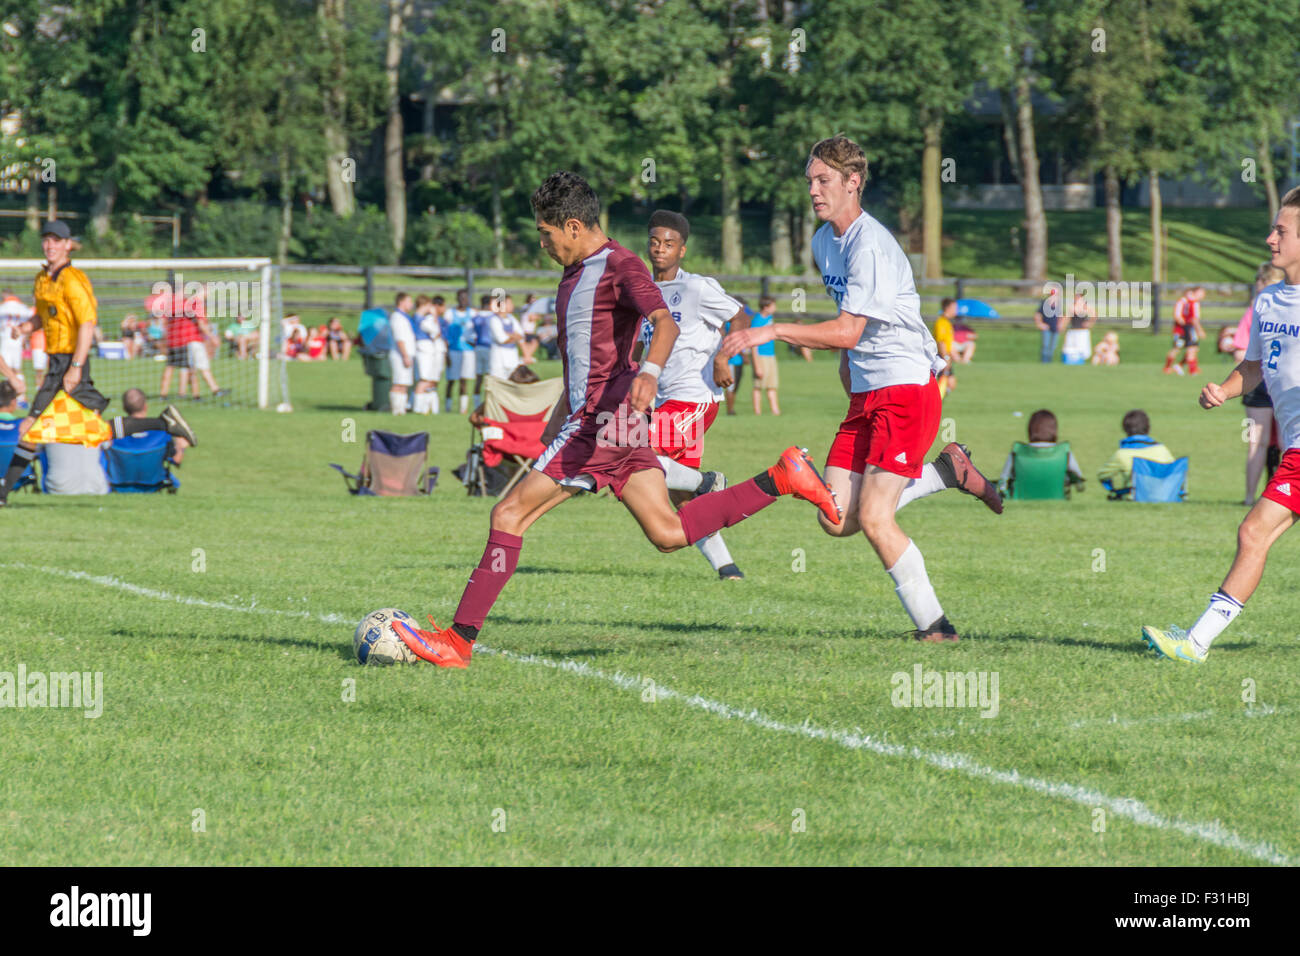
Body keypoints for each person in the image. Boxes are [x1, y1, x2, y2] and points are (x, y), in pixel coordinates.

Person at [392, 171, 841, 669]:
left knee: (507, 515)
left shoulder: (621, 266)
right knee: (668, 533)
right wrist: (559, 413)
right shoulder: (573, 273)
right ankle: (782, 478)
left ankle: (457, 642)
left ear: (573, 225)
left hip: (602, 424)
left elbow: (664, 323)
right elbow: (583, 359)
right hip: (610, 421)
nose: (542, 244)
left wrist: (649, 373)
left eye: (546, 233)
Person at [722, 136, 1003, 643]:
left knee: (874, 518)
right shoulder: (822, 242)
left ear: (853, 183)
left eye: (822, 180)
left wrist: (776, 329)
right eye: (809, 180)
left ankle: (936, 627)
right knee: (835, 519)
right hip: (865, 394)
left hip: (906, 390)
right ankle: (946, 472)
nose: (812, 190)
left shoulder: (870, 244)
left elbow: (849, 329)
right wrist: (849, 365)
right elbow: (853, 332)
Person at [1142, 188, 1300, 663]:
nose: (1269, 238)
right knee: (1255, 534)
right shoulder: (1269, 302)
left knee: (1254, 532)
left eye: (1281, 231)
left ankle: (1195, 643)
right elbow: (1253, 367)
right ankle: (1195, 642)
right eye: (1273, 228)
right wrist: (1224, 390)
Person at [0, 221, 198, 506]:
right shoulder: (42, 279)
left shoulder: (74, 279)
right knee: (92, 431)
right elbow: (44, 316)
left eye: (57, 240)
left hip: (70, 362)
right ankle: (163, 422)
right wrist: (25, 329)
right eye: (47, 239)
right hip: (58, 363)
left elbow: (87, 325)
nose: (50, 245)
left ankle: (2, 495)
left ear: (68, 245)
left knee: (29, 429)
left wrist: (76, 366)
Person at [633, 209, 748, 580]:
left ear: (682, 250)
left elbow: (740, 315)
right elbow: (641, 350)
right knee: (681, 497)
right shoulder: (643, 295)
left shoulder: (696, 287)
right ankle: (728, 570)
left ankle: (709, 481)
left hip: (695, 397)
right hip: (666, 401)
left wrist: (724, 357)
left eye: (669, 243)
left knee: (637, 457)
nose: (660, 249)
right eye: (655, 241)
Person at [997, 409, 1086, 498]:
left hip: (1021, 497)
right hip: (1057, 497)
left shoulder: (1018, 451)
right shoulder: (1063, 452)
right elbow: (1078, 480)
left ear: (1030, 429)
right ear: (1054, 430)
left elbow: (1003, 481)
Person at [1097, 410, 1176, 499]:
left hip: (1134, 497)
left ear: (1125, 429)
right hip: (1164, 497)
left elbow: (1102, 475)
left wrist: (1113, 490)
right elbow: (1174, 473)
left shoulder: (1122, 454)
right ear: (1148, 428)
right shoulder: (1162, 449)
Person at [441, 289, 476, 414]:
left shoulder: (472, 314)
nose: (463, 300)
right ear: (457, 298)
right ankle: (448, 407)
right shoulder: (449, 314)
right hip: (454, 350)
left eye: (465, 298)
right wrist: (446, 353)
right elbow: (444, 335)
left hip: (467, 351)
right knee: (451, 380)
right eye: (461, 297)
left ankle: (463, 408)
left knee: (464, 379)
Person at [410, 295, 444, 414]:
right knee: (424, 380)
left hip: (424, 349)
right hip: (423, 349)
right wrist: (434, 316)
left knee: (426, 379)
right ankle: (417, 408)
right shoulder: (421, 319)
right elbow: (436, 332)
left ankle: (422, 407)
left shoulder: (418, 318)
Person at [749, 294, 781, 415]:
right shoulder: (757, 320)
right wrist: (757, 365)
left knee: (772, 384)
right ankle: (757, 411)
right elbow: (753, 344)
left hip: (770, 355)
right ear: (766, 307)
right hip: (760, 356)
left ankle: (775, 411)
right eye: (773, 305)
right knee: (758, 385)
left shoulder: (770, 318)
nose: (775, 308)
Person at [1163, 285, 1206, 375]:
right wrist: (1199, 330)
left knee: (1189, 348)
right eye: (1201, 293)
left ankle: (1176, 366)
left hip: (1182, 329)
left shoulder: (1183, 301)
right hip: (1186, 329)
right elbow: (1193, 319)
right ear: (1195, 292)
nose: (1203, 295)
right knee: (1189, 348)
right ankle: (1191, 370)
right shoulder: (1193, 303)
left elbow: (1177, 316)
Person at [0, 289, 33, 401]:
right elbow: (31, 323)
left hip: (5, 340)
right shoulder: (24, 308)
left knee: (6, 369)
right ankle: (20, 398)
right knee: (17, 370)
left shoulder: (3, 307)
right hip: (18, 340)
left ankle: (12, 397)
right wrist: (26, 340)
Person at [387, 292, 416, 416]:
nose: (411, 304)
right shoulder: (397, 318)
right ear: (402, 302)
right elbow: (400, 339)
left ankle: (401, 409)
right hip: (400, 355)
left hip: (407, 354)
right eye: (409, 301)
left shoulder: (405, 317)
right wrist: (405, 355)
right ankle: (396, 409)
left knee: (404, 383)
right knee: (399, 382)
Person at [487, 294, 524, 380]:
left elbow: (521, 335)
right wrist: (514, 335)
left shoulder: (512, 318)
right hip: (498, 359)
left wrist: (508, 334)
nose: (512, 306)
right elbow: (502, 339)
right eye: (510, 303)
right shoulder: (494, 320)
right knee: (498, 383)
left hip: (512, 357)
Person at [722, 299, 748, 415]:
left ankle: (731, 408)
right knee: (731, 386)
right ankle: (730, 410)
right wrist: (744, 355)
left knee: (736, 385)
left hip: (738, 360)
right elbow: (733, 339)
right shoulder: (731, 323)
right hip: (732, 358)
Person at [932, 297, 958, 398]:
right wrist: (946, 358)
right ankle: (935, 401)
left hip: (946, 356)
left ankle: (937, 400)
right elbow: (941, 342)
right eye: (954, 308)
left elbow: (948, 343)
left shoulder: (947, 323)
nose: (956, 311)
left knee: (951, 382)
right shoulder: (941, 323)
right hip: (941, 357)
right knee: (943, 382)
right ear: (947, 308)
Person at [1061, 292, 1096, 363]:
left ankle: (1080, 361)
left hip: (1082, 331)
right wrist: (1063, 326)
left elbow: (1094, 316)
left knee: (1082, 348)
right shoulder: (1072, 307)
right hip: (1073, 330)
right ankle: (1071, 361)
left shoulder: (1086, 307)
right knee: (1070, 347)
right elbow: (1067, 318)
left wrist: (1090, 323)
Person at [1033, 287, 1063, 363]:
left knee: (1053, 347)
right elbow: (1037, 315)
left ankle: (1049, 362)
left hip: (1055, 328)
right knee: (1045, 346)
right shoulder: (1045, 303)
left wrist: (1060, 325)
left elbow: (1061, 316)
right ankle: (1044, 362)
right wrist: (1040, 324)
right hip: (1046, 328)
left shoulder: (1059, 303)